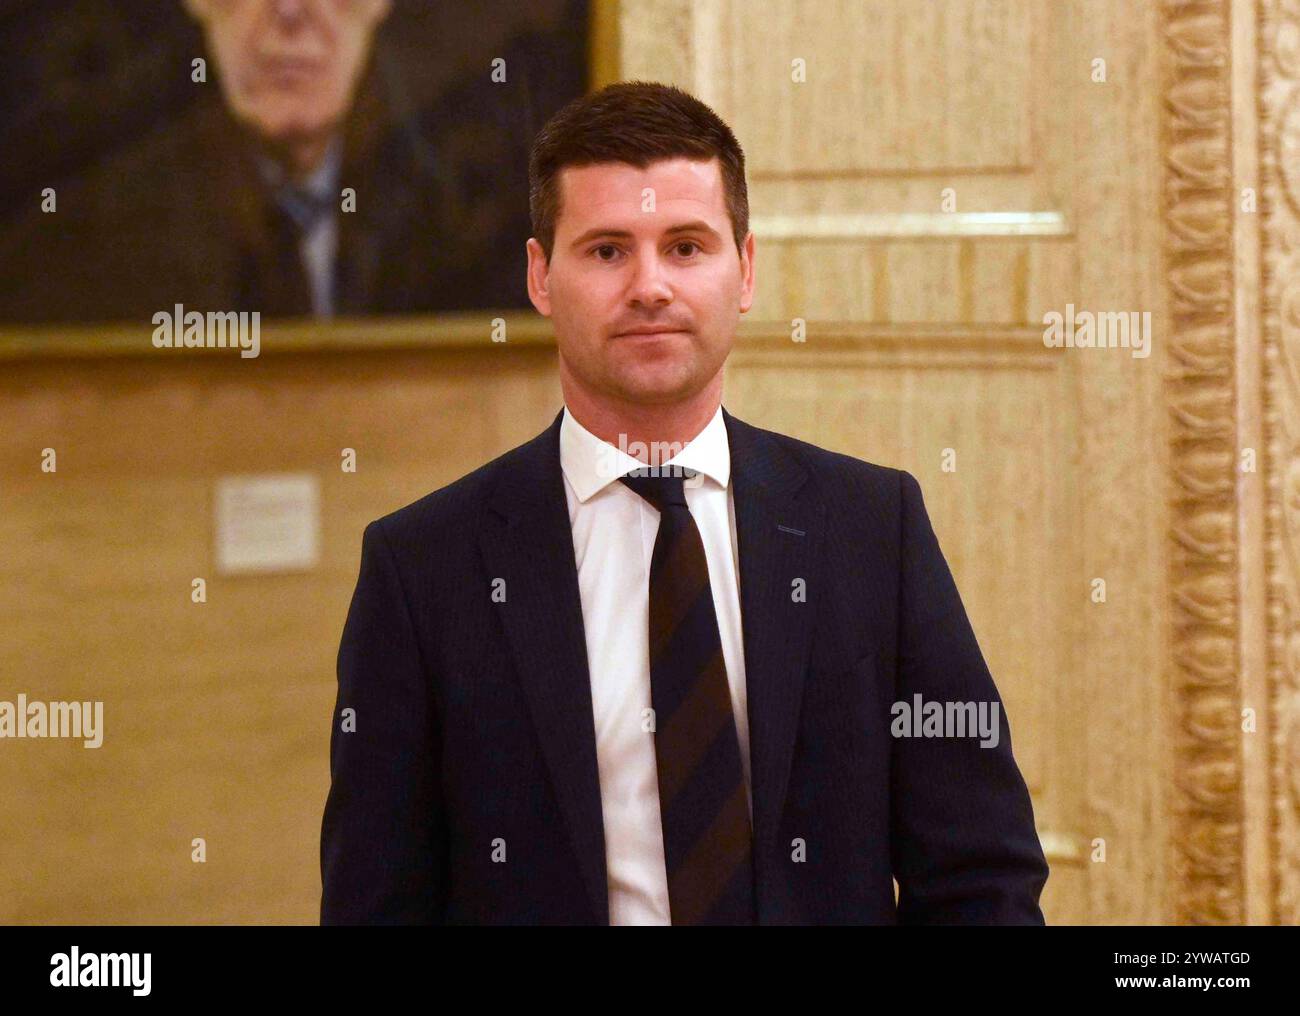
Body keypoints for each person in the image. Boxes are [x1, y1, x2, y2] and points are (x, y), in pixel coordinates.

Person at [320, 80, 1050, 925]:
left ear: (744, 270)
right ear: (539, 277)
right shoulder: (424, 568)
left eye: (686, 246)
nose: (650, 287)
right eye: (606, 251)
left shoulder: (870, 528)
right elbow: (376, 905)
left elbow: (980, 874)